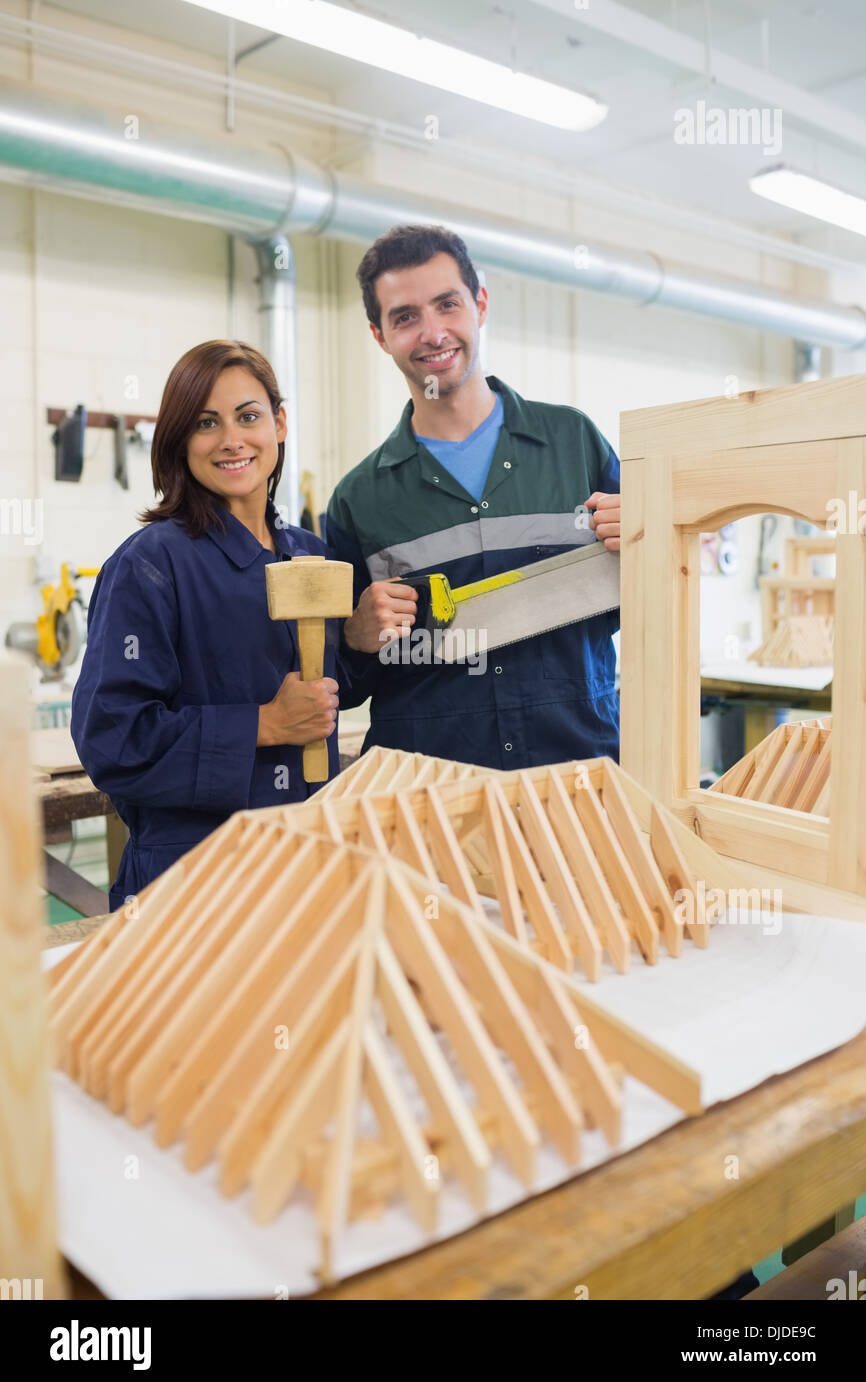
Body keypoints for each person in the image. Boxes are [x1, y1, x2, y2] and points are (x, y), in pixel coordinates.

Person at [326, 224, 622, 769]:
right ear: (379, 334)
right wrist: (354, 638)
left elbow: (649, 599)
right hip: (427, 795)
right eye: (405, 316)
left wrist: (645, 541)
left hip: (578, 773)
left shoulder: (575, 444)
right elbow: (339, 686)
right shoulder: (358, 499)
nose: (433, 332)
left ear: (480, 304)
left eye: (447, 304)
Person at [71, 340, 340, 910]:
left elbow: (329, 691)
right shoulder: (149, 565)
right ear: (178, 441)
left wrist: (362, 635)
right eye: (205, 423)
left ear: (280, 423)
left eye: (248, 416)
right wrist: (263, 725)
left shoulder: (309, 556)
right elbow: (111, 741)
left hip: (310, 860)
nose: (232, 440)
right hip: (195, 878)